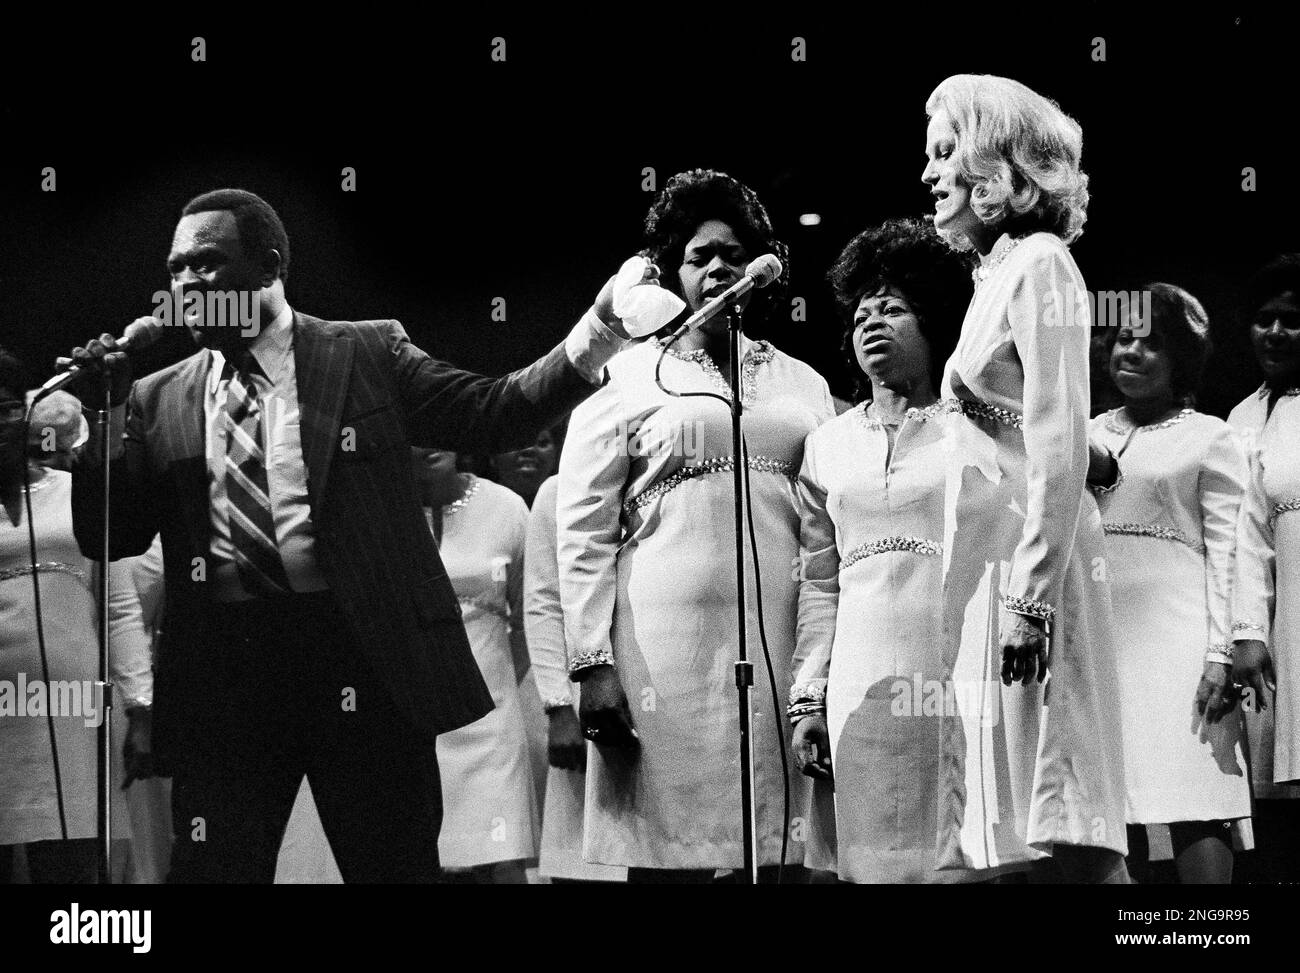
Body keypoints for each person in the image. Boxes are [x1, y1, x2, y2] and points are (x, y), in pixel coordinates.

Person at [65, 188, 631, 883]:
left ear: (269, 264)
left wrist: (598, 330)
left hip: (356, 654)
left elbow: (493, 413)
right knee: (214, 871)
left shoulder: (364, 352)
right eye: (177, 268)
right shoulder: (156, 396)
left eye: (208, 264)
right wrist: (109, 412)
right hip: (227, 672)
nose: (186, 284)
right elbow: (109, 534)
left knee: (393, 868)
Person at [558, 168, 835, 881]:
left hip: (780, 635)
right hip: (662, 655)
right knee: (669, 848)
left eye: (735, 254)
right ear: (671, 276)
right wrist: (591, 664)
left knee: (778, 846)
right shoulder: (631, 378)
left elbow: (831, 521)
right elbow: (584, 531)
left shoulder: (802, 383)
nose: (719, 267)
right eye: (700, 256)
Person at [922, 75, 1129, 882]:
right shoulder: (995, 276)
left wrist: (1033, 600)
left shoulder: (1043, 264)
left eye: (945, 154)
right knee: (1015, 825)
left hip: (1034, 573)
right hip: (997, 566)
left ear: (994, 168)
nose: (930, 174)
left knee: (1063, 811)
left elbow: (1057, 441)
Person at [790, 218, 992, 882]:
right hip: (859, 676)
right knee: (870, 864)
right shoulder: (827, 443)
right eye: (861, 314)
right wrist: (809, 698)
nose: (872, 323)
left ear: (933, 321)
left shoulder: (976, 429)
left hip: (955, 671)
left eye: (894, 309)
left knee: (957, 860)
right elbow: (820, 583)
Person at [1089, 283, 1252, 883]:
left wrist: (1219, 654)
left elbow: (1229, 554)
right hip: (1101, 635)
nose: (1130, 353)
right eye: (1123, 339)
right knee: (1107, 805)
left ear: (1180, 359)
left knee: (1194, 798)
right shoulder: (1084, 431)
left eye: (1150, 345)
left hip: (1180, 638)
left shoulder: (1210, 435)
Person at [0, 351, 153, 883]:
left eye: (6, 409)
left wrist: (140, 705)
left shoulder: (76, 493)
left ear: (26, 413)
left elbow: (118, 606)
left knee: (73, 870)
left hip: (75, 707)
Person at [413, 447, 539, 881]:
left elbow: (530, 615)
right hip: (415, 720)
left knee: (499, 862)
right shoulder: (383, 506)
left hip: (493, 718)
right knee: (428, 862)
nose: (430, 443)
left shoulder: (507, 506)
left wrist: (496, 685)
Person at [1229, 253, 1300, 883]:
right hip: (1275, 623)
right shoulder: (1242, 418)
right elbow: (1241, 539)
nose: (1275, 333)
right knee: (1278, 792)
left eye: (1292, 321)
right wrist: (1247, 631)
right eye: (1264, 320)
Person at [524, 471, 626, 882]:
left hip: (663, 684)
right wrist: (557, 706)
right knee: (580, 860)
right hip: (584, 693)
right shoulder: (558, 490)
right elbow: (543, 601)